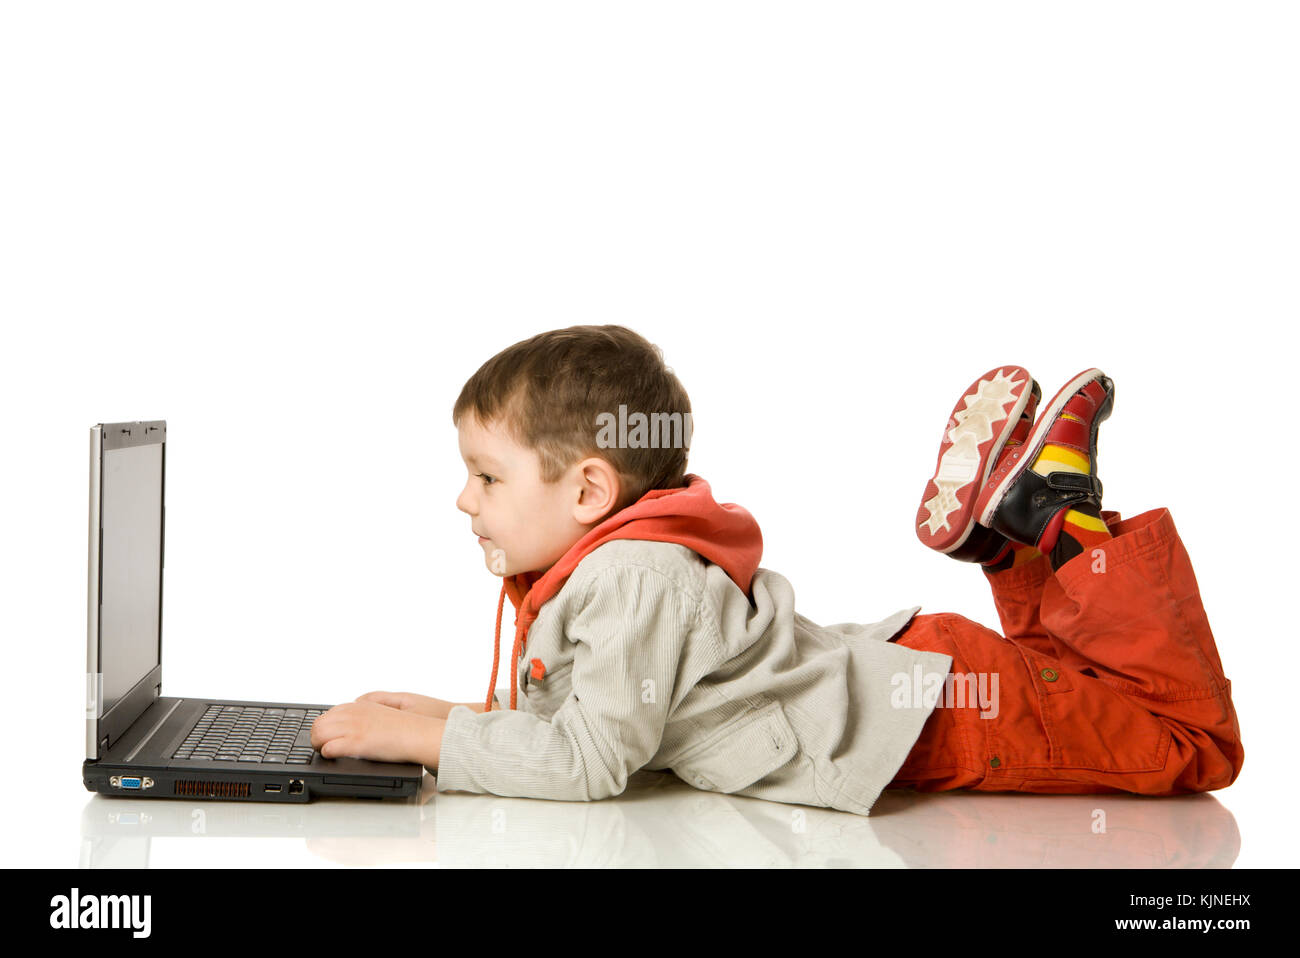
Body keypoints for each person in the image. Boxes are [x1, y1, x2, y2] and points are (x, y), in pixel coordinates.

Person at [309, 327, 1243, 814]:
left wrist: (433, 746)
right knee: (1094, 690)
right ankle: (1013, 538)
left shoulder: (630, 574)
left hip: (940, 720)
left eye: (485, 476)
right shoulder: (622, 559)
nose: (463, 501)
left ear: (591, 488)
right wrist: (430, 715)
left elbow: (594, 761)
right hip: (925, 685)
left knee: (1191, 743)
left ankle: (1062, 527)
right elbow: (592, 717)